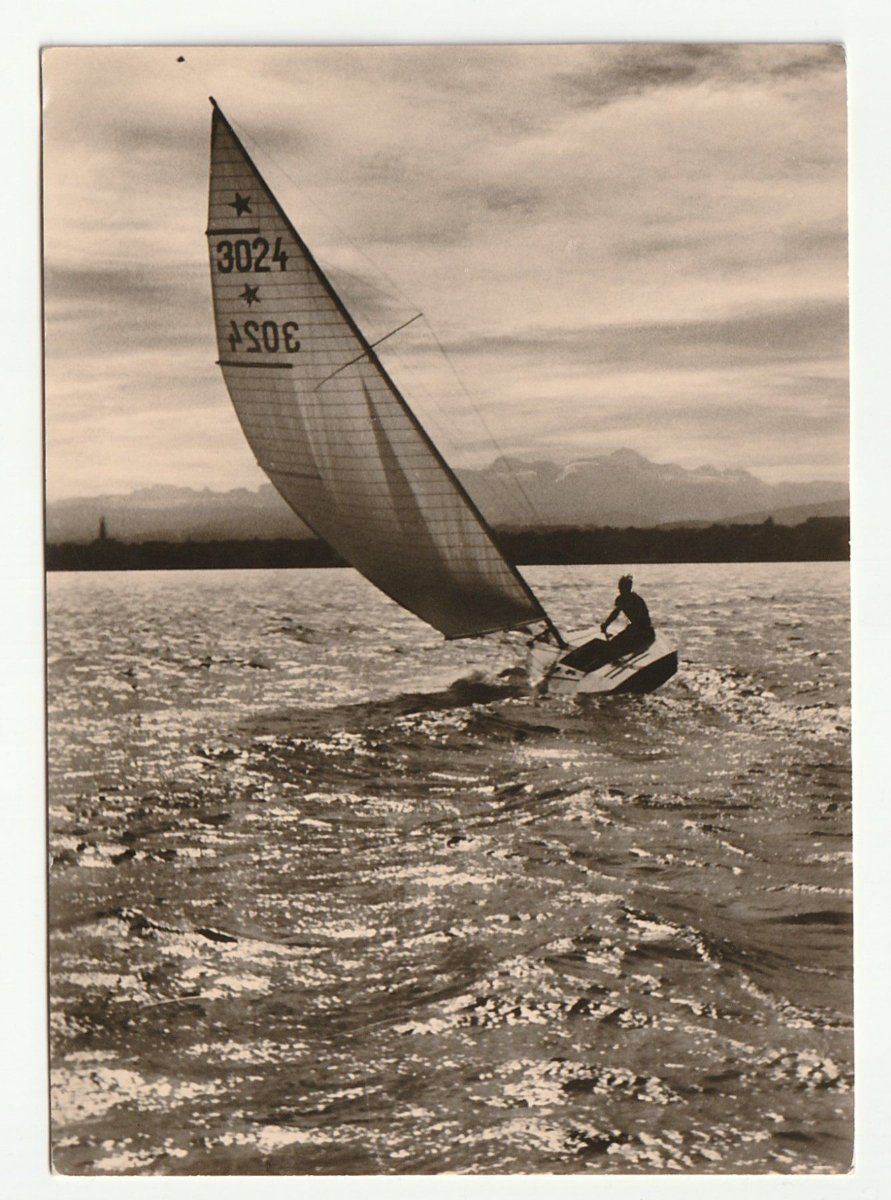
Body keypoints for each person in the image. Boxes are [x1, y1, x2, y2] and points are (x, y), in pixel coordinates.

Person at [561, 574, 655, 673]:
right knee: (610, 645)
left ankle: (594, 666)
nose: (620, 589)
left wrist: (606, 625)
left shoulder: (631, 599)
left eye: (622, 587)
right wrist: (606, 625)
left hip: (642, 631)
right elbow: (616, 612)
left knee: (613, 647)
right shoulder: (626, 598)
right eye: (620, 587)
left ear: (627, 587)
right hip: (635, 629)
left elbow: (616, 613)